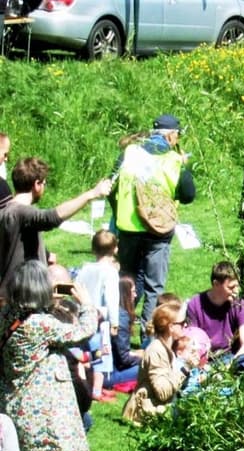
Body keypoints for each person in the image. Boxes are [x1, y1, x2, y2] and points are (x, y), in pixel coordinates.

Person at [0, 260, 98, 451]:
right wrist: (86, 303)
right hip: (39, 415)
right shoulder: (40, 324)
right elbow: (83, 330)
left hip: (15, 404)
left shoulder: (8, 315)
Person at [113, 114, 195, 324]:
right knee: (153, 286)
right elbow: (187, 195)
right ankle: (148, 336)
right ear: (171, 136)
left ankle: (120, 329)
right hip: (158, 230)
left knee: (126, 281)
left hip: (128, 227)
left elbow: (110, 186)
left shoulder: (129, 153)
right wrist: (185, 168)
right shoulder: (173, 160)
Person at [0, 157, 112, 301]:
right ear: (37, 184)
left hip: (10, 294)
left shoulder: (6, 211)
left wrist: (45, 255)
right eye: (44, 183)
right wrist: (92, 194)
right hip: (22, 298)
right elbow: (51, 218)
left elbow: (16, 245)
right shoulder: (22, 213)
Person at [186, 262, 244, 381]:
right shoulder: (195, 305)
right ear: (216, 284)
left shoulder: (239, 304)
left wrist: (227, 368)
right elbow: (191, 345)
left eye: (237, 286)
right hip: (205, 361)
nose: (236, 291)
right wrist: (207, 368)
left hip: (232, 357)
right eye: (231, 287)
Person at [122, 299, 191, 426]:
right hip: (146, 414)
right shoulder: (156, 351)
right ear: (171, 327)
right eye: (182, 323)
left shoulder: (165, 347)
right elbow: (163, 393)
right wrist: (185, 368)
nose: (185, 325)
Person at [74, 230, 122, 402]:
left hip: (83, 315)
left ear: (93, 249)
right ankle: (96, 390)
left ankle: (85, 384)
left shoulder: (86, 268)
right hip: (100, 319)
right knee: (103, 353)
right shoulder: (110, 272)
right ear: (115, 249)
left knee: (86, 351)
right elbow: (112, 298)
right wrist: (115, 322)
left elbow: (75, 288)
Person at [104, 276, 143, 391]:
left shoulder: (110, 311)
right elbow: (124, 360)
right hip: (110, 374)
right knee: (152, 365)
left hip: (103, 369)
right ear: (124, 294)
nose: (136, 295)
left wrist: (135, 353)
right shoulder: (121, 318)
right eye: (133, 292)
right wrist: (142, 358)